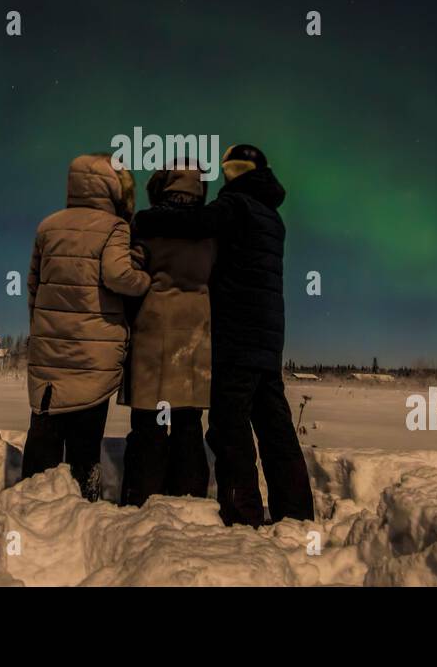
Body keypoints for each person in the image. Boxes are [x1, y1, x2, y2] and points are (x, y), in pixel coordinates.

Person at [131, 144, 314, 527]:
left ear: (251, 172)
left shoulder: (236, 207)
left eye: (237, 167)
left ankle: (241, 513)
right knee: (274, 427)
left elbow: (191, 223)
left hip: (235, 338)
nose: (230, 174)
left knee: (230, 429)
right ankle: (296, 513)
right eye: (228, 166)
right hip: (267, 341)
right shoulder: (272, 217)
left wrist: (145, 220)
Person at [23, 153, 151, 500]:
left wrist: (43, 327)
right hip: (92, 353)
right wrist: (144, 279)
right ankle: (82, 500)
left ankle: (30, 500)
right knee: (85, 436)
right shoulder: (113, 228)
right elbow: (118, 275)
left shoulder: (48, 226)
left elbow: (33, 287)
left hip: (50, 350)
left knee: (44, 429)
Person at [119, 163, 217, 506]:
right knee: (188, 422)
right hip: (196, 337)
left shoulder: (146, 224)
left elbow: (130, 275)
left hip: (154, 332)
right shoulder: (211, 230)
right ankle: (189, 499)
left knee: (150, 422)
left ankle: (141, 498)